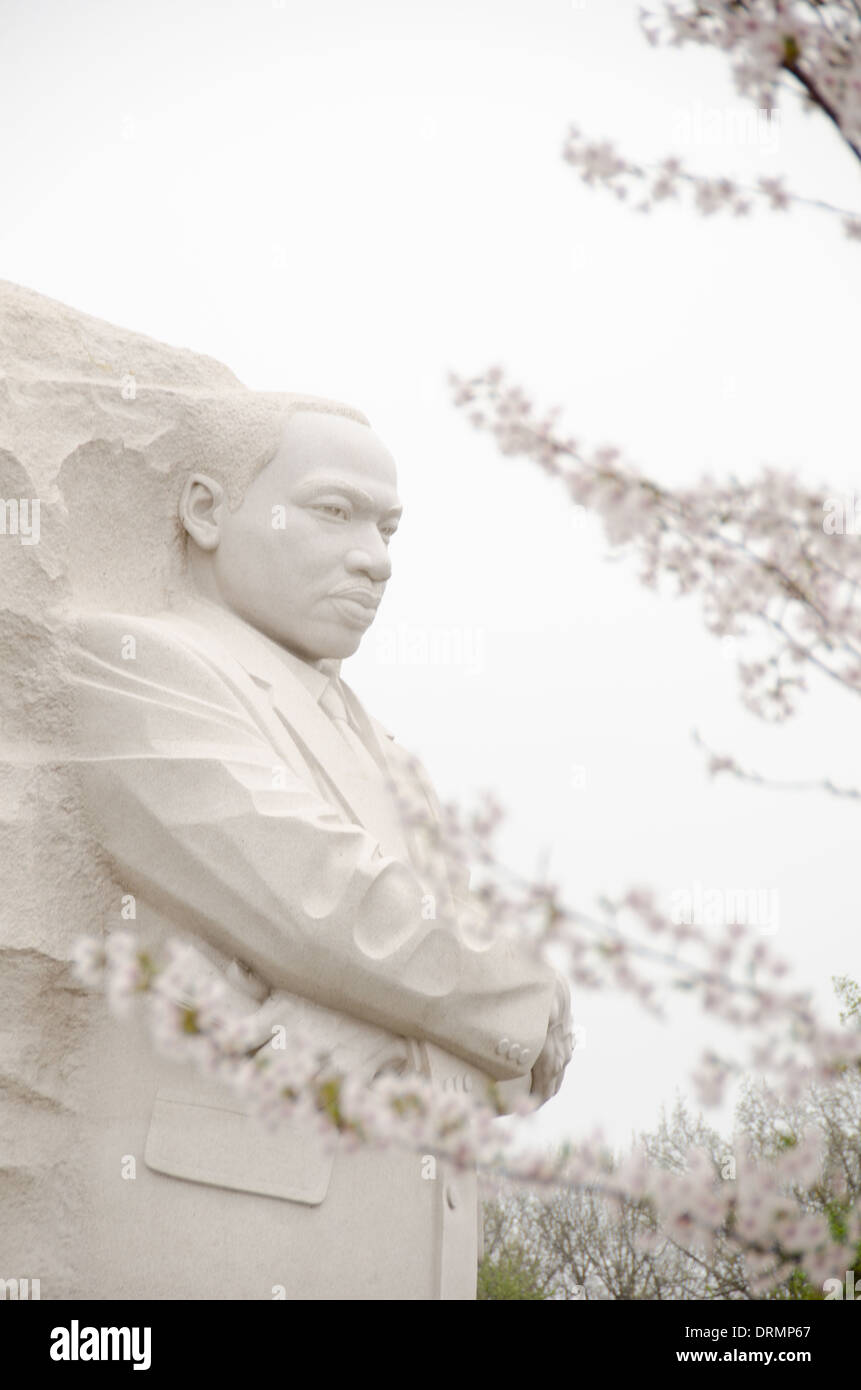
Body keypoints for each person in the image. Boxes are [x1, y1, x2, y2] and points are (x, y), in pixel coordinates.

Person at [67, 396, 573, 1299]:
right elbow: (324, 900)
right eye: (333, 512)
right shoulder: (133, 663)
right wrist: (511, 991)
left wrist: (366, 1018)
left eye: (387, 528)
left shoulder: (390, 755)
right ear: (206, 511)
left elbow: (518, 1068)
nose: (374, 561)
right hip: (234, 1238)